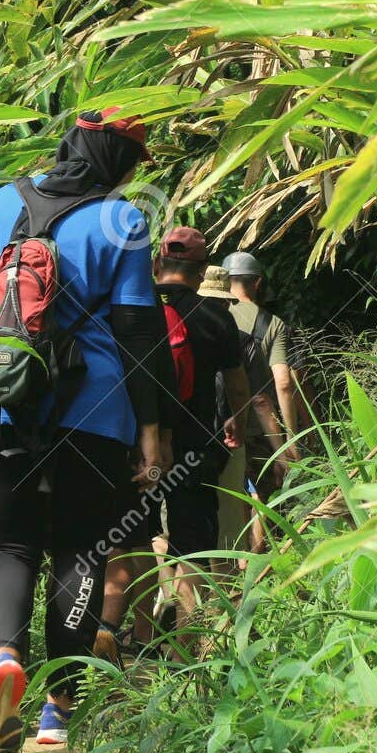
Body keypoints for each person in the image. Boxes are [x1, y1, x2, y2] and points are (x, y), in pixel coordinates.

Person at [0, 108, 169, 753]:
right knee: (80, 551)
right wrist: (151, 430)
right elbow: (137, 333)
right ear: (119, 162)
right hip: (93, 410)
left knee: (5, 547)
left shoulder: (0, 202)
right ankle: (56, 710)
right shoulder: (122, 221)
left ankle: (3, 659)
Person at [141, 229, 251, 650]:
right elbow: (237, 385)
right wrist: (237, 422)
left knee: (140, 537)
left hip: (140, 448)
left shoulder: (132, 308)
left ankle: (139, 637)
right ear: (203, 271)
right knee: (193, 546)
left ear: (157, 264)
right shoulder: (215, 317)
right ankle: (184, 649)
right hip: (194, 450)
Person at [195, 265, 285, 557]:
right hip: (230, 439)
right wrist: (281, 452)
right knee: (241, 509)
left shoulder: (174, 332)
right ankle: (247, 569)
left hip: (182, 439)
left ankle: (178, 583)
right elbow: (262, 398)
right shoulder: (241, 340)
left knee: (178, 525)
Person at [223, 251, 309, 551]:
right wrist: (289, 442)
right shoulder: (271, 324)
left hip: (214, 423)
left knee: (229, 494)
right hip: (257, 427)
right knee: (262, 494)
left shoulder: (211, 316)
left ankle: (230, 563)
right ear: (257, 282)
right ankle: (255, 563)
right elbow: (283, 383)